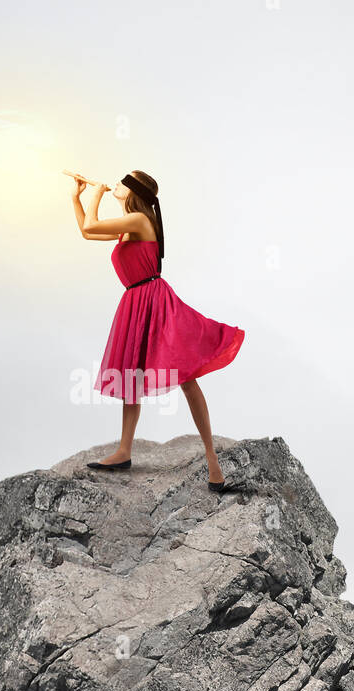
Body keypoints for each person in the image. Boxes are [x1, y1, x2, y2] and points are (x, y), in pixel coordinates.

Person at [71, 170, 244, 492]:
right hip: (137, 301)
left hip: (153, 301)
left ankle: (213, 464)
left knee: (186, 375)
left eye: (122, 183)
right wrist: (75, 197)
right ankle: (124, 451)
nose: (115, 186)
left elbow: (92, 225)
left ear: (133, 192)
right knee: (132, 376)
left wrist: (94, 194)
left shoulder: (137, 219)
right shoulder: (129, 225)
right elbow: (86, 232)